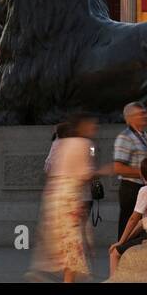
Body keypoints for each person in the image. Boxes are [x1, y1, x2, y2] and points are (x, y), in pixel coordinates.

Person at [33, 113, 112, 283]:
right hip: (73, 197)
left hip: (55, 195)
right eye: (92, 125)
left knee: (62, 242)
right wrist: (104, 171)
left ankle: (47, 271)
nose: (95, 128)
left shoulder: (60, 143)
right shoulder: (86, 144)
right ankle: (66, 280)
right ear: (82, 126)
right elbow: (86, 173)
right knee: (73, 244)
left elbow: (49, 168)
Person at [112, 103, 147, 243]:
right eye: (141, 114)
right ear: (130, 118)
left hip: (143, 188)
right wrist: (144, 172)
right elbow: (118, 167)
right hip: (131, 188)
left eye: (145, 113)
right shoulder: (125, 137)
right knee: (127, 227)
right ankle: (119, 255)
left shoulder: (144, 135)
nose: (145, 116)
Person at [109, 158, 147, 277]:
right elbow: (142, 222)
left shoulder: (146, 190)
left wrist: (120, 243)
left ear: (142, 175)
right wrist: (124, 241)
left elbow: (134, 218)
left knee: (114, 253)